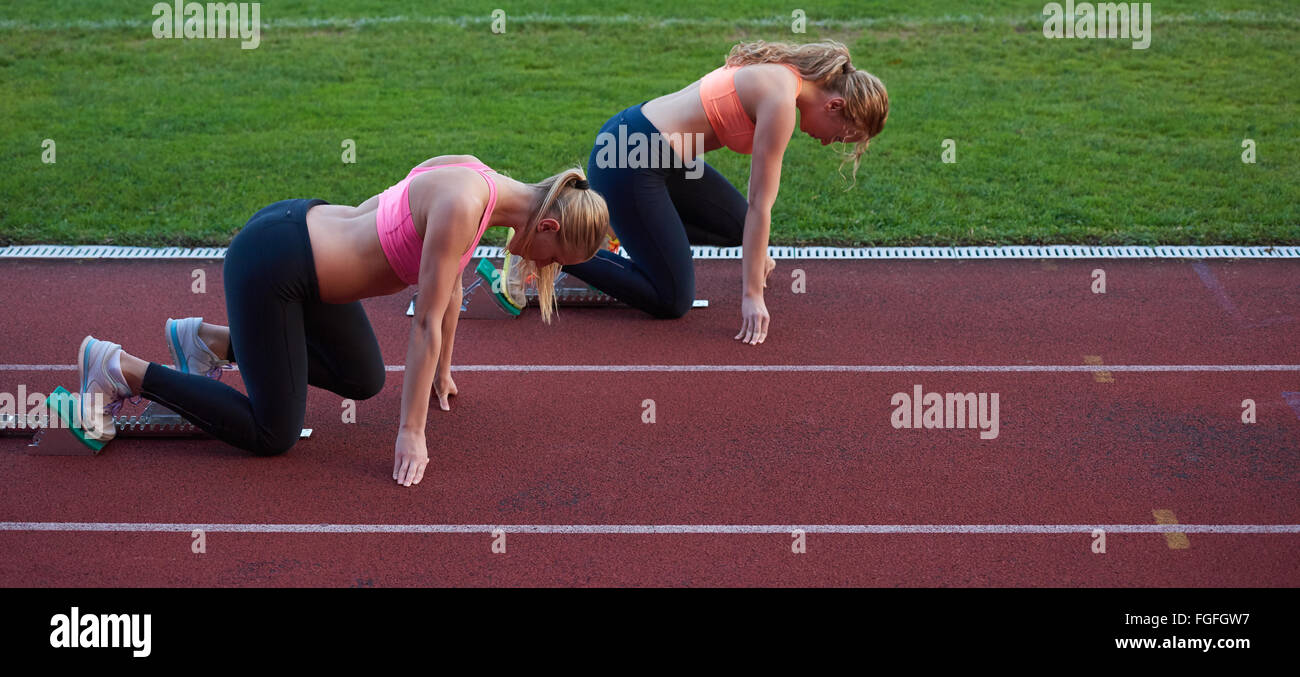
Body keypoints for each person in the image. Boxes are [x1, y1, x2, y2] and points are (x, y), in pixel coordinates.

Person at [76, 158, 609, 486]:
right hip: (275, 268)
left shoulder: (482, 182)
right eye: (554, 259)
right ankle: (120, 368)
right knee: (272, 433)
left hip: (296, 232)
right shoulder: (463, 207)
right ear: (549, 225)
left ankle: (209, 342)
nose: (545, 269)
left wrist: (444, 371)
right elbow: (423, 322)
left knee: (363, 378)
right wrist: (410, 432)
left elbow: (449, 289)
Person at [563, 40, 887, 345]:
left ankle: (625, 224)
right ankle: (551, 247)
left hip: (646, 150)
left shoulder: (783, 75)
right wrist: (751, 296)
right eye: (840, 136)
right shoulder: (780, 101)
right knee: (671, 299)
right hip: (628, 161)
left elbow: (751, 217)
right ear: (834, 105)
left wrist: (758, 256)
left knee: (737, 224)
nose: (829, 143)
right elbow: (761, 204)